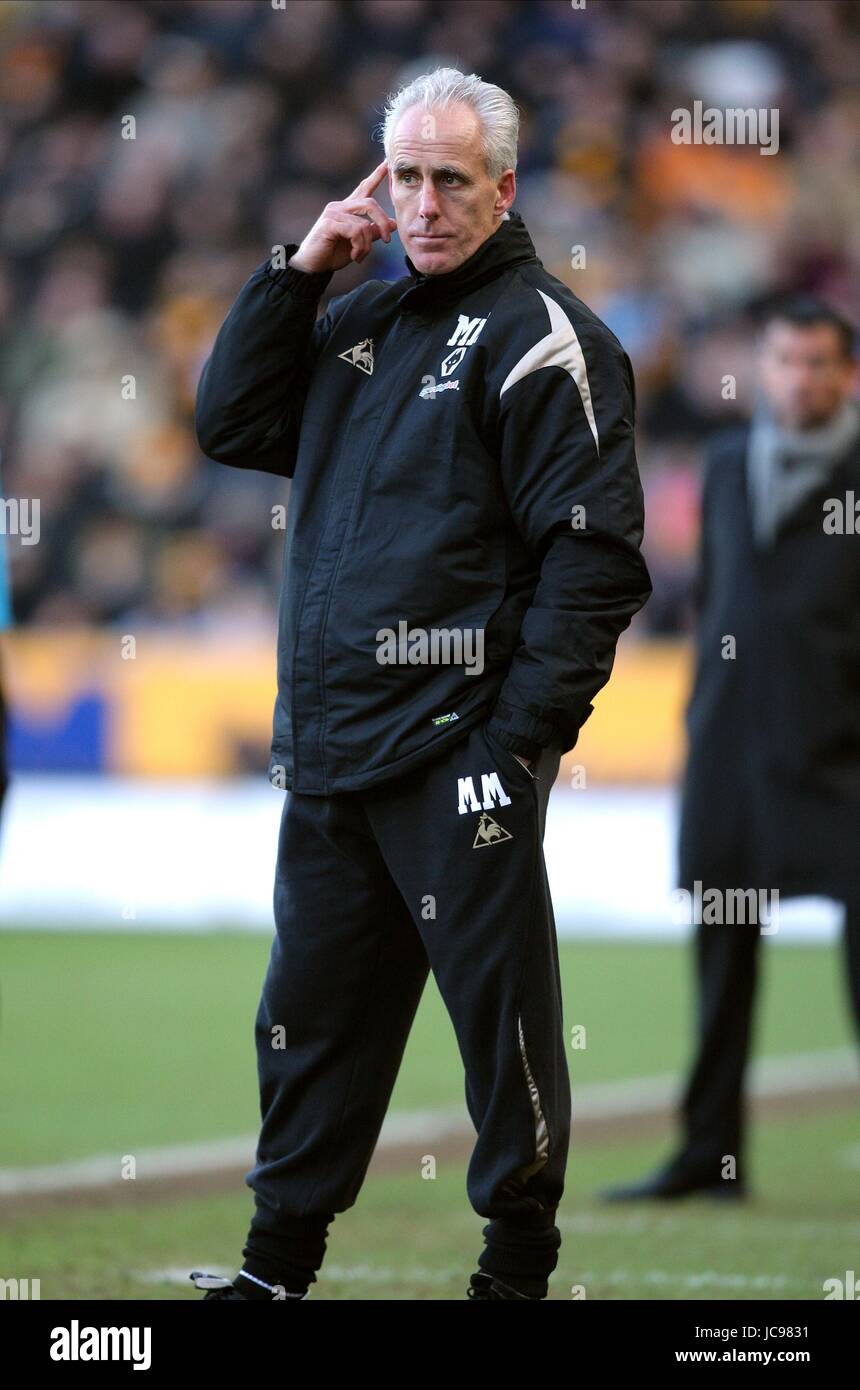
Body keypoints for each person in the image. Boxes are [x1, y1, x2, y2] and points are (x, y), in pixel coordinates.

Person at [190, 68, 651, 1302]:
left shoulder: (548, 338)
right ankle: (274, 1271)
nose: (427, 202)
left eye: (452, 178)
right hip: (334, 745)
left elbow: (592, 562)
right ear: (378, 184)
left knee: (497, 1029)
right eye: (406, 176)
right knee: (308, 1024)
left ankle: (513, 1270)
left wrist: (515, 742)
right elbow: (228, 425)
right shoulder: (355, 321)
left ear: (504, 187)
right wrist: (297, 273)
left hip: (460, 752)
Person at [602, 297, 860, 1204]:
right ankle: (710, 1157)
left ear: (847, 373)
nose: (801, 378)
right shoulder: (721, 463)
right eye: (786, 360)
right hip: (731, 750)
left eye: (820, 362)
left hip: (844, 762)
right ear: (762, 367)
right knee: (720, 962)